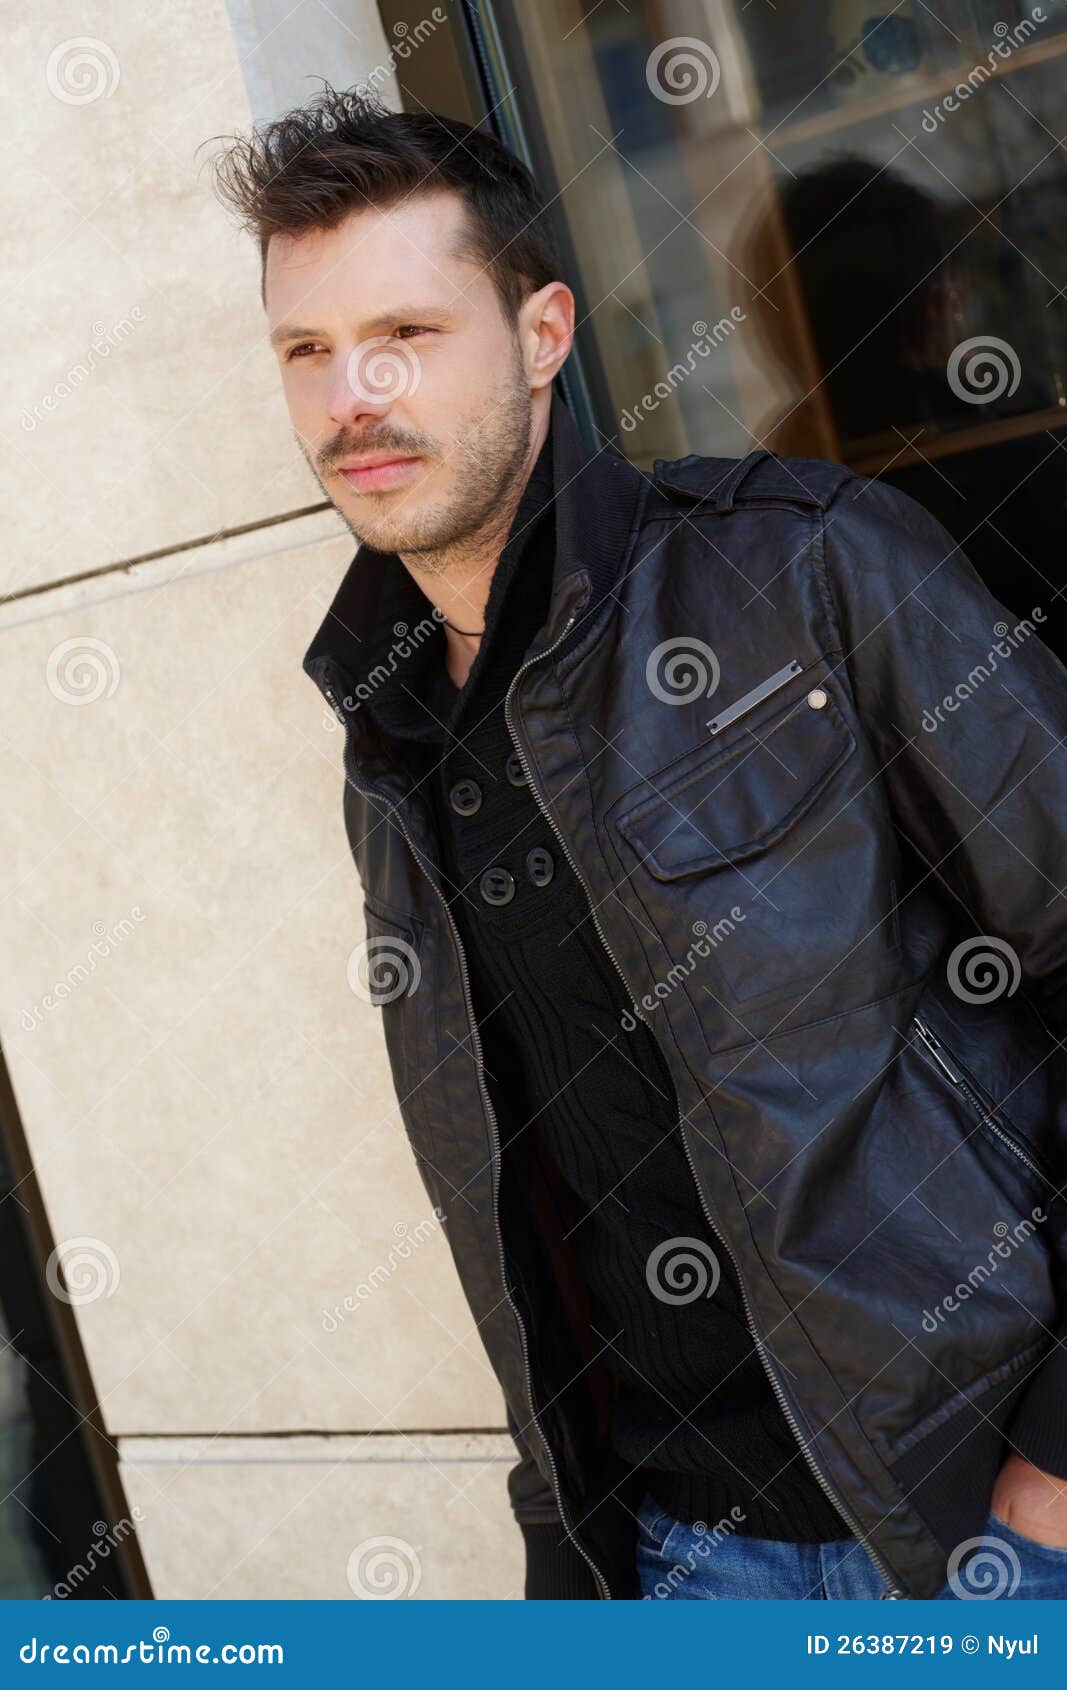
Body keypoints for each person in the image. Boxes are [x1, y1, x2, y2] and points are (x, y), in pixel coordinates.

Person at [212, 86, 1067, 1600]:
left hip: (965, 1520)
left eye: (407, 332)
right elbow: (524, 1194)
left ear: (543, 337)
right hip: (668, 1560)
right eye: (308, 350)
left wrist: (1054, 1470)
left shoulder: (807, 573)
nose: (355, 394)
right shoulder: (391, 744)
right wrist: (564, 1546)